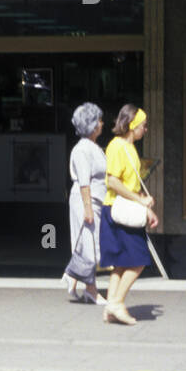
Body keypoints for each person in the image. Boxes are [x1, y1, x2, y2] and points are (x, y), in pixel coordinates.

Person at [99, 104, 158, 325]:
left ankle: (111, 306)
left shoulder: (129, 147)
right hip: (117, 210)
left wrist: (146, 207)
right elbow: (112, 181)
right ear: (133, 126)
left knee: (122, 263)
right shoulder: (117, 147)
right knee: (139, 259)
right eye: (143, 125)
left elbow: (130, 186)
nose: (146, 129)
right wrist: (141, 201)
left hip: (122, 209)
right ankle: (116, 303)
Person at [62, 102, 108, 305]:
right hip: (85, 201)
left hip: (95, 201)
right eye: (98, 120)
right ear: (91, 124)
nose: (102, 123)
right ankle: (91, 289)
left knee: (90, 244)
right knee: (88, 246)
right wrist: (88, 208)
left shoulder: (93, 147)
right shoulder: (81, 150)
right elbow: (84, 182)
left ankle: (72, 276)